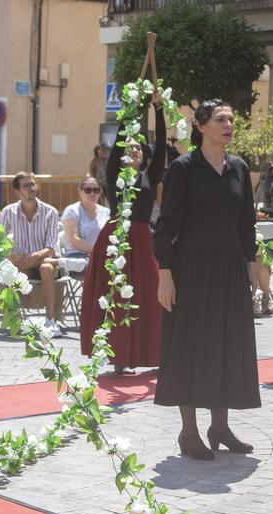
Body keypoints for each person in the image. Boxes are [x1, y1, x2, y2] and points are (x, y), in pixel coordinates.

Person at [155, 99, 261, 461]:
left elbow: (246, 223)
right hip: (191, 269)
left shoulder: (239, 168)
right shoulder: (183, 168)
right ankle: (189, 432)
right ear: (200, 127)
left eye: (231, 119)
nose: (228, 124)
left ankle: (220, 427)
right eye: (220, 119)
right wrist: (165, 275)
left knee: (227, 345)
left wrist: (252, 268)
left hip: (229, 269)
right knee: (189, 346)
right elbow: (166, 224)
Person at [80, 93, 167, 375]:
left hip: (141, 240)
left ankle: (151, 351)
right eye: (129, 148)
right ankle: (118, 356)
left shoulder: (149, 177)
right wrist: (132, 107)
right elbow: (117, 147)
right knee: (116, 297)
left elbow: (162, 146)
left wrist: (158, 109)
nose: (133, 151)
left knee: (149, 296)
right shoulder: (116, 174)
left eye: (138, 149)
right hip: (115, 240)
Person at [0, 172, 63, 337]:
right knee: (15, 269)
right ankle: (17, 319)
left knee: (46, 267)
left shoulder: (50, 212)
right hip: (22, 263)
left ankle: (50, 320)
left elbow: (52, 247)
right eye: (27, 186)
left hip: (44, 260)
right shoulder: (8, 212)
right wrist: (10, 255)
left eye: (33, 184)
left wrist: (34, 256)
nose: (32, 189)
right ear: (17, 192)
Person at [59, 177, 110, 275]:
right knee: (103, 270)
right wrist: (99, 250)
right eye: (87, 190)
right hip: (77, 257)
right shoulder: (72, 211)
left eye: (96, 190)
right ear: (80, 191)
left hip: (100, 256)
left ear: (100, 192)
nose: (92, 193)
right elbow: (75, 241)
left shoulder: (106, 212)